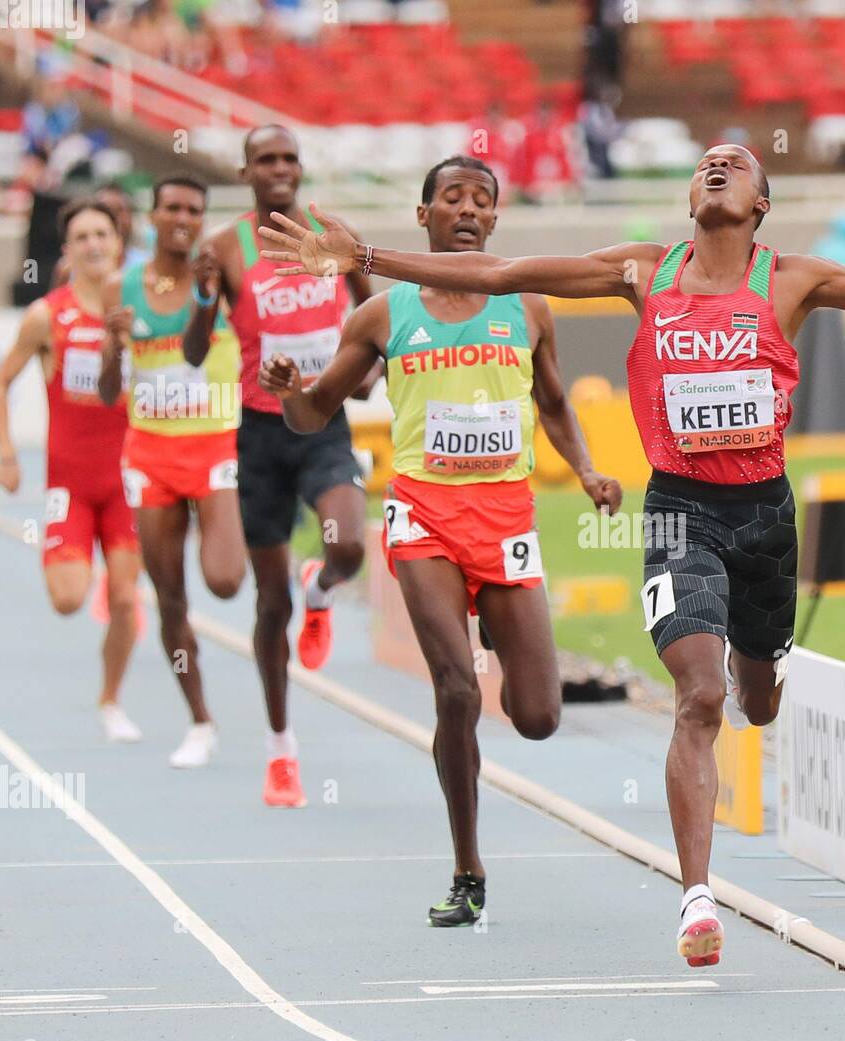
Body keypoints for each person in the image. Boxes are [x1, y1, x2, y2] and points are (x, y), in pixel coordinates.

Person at [258, 143, 845, 966]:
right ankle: (698, 896)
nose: (714, 166)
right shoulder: (640, 271)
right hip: (677, 510)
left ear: (762, 203)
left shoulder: (792, 280)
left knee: (757, 696)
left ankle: (763, 662)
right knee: (699, 698)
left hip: (766, 518)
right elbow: (503, 269)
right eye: (703, 162)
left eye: (735, 164)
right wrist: (367, 258)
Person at [259, 156, 621, 926]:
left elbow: (555, 405)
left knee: (538, 716)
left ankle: (491, 609)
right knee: (457, 691)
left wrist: (587, 470)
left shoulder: (527, 308)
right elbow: (314, 414)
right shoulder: (385, 315)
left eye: (481, 200)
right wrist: (289, 390)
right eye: (450, 198)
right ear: (422, 218)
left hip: (507, 519)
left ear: (495, 221)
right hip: (424, 514)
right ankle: (468, 867)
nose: (466, 209)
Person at [189, 124, 375, 808]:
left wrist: (364, 371)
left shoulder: (331, 232)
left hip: (323, 421)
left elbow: (376, 310)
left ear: (300, 168)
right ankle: (280, 749)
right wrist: (207, 297)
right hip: (261, 435)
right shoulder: (224, 247)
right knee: (270, 604)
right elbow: (190, 347)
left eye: (289, 157)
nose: (279, 168)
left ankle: (322, 588)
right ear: (246, 173)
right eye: (265, 159)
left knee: (351, 545)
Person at [99, 175, 245, 769]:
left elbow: (212, 349)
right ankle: (200, 719)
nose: (183, 217)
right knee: (170, 599)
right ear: (152, 216)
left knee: (226, 580)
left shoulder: (222, 282)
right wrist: (112, 347)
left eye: (194, 209)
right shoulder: (122, 286)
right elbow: (110, 392)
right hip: (151, 457)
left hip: (213, 449)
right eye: (172, 208)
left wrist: (209, 298)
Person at [0, 200, 143, 742]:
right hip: (70, 484)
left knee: (126, 599)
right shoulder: (45, 316)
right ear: (68, 250)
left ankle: (111, 699)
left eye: (103, 233)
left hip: (128, 482)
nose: (94, 244)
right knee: (68, 600)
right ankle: (81, 561)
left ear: (119, 242)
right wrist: (7, 454)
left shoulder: (144, 310)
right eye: (82, 237)